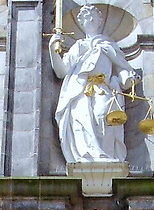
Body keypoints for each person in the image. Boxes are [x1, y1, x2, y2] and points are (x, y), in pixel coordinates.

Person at [50, 4, 138, 163]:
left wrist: (126, 78)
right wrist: (52, 50)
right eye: (84, 18)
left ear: (100, 21)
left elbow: (123, 68)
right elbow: (61, 72)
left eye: (92, 17)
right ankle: (85, 157)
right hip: (80, 92)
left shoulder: (109, 45)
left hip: (104, 89)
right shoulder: (78, 47)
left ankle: (105, 155)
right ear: (81, 23)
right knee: (81, 120)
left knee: (102, 116)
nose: (88, 20)